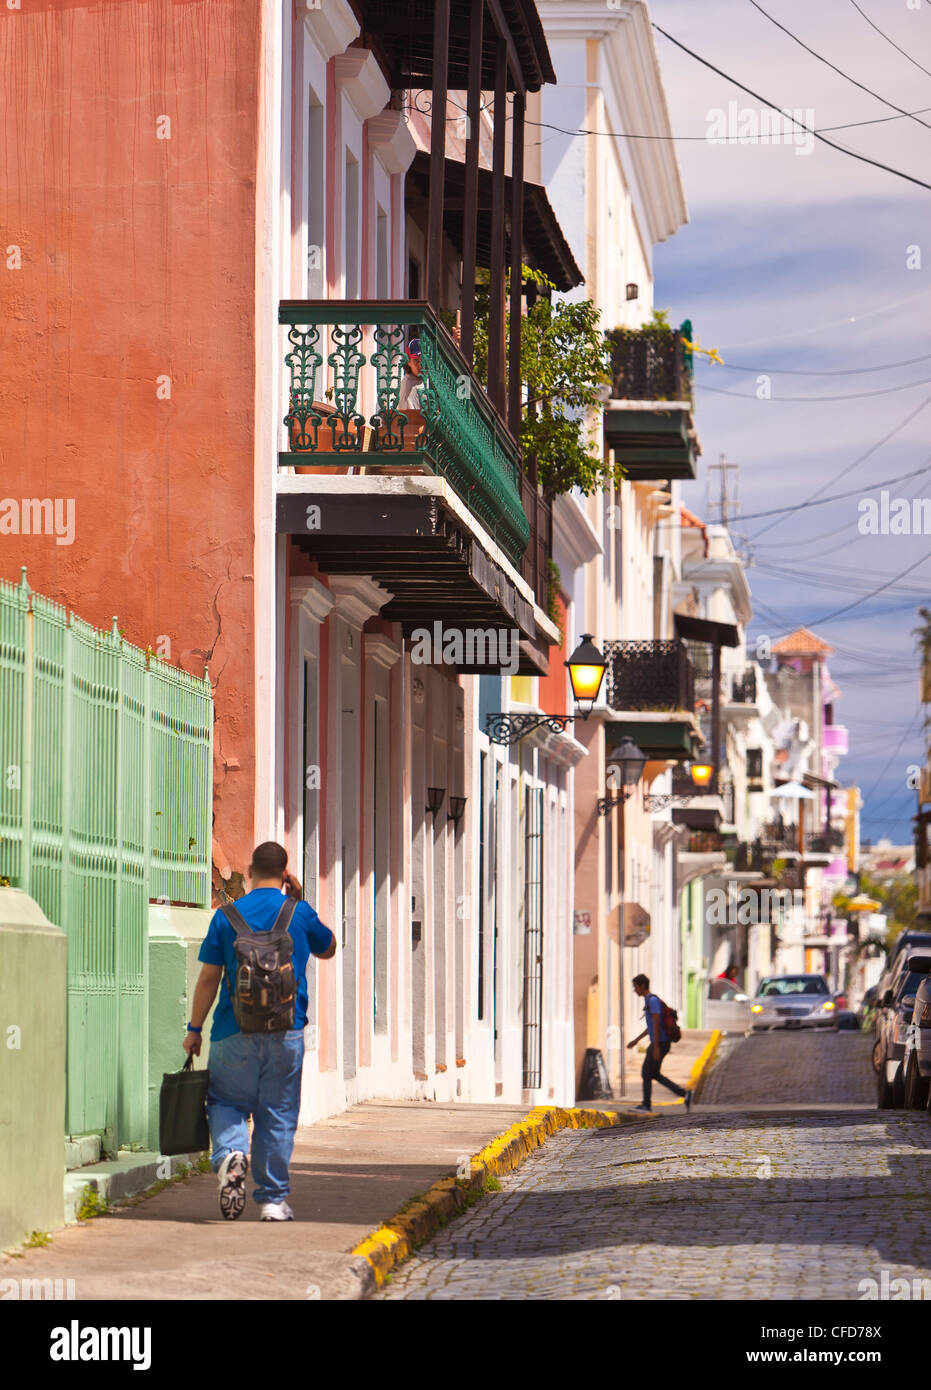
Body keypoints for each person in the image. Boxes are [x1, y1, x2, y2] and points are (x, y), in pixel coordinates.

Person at [183, 841, 336, 1222]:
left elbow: (207, 978)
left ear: (249, 871)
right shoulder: (298, 913)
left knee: (225, 1103)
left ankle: (230, 1156)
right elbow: (329, 947)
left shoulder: (226, 916)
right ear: (285, 875)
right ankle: (271, 1200)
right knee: (277, 1114)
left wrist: (194, 1029)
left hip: (232, 1034)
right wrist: (299, 900)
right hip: (287, 1034)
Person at [627, 973, 692, 1113]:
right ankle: (684, 1094)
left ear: (642, 985)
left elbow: (656, 1023)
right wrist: (636, 1040)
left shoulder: (652, 1001)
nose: (635, 990)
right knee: (654, 1074)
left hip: (660, 1043)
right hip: (659, 1042)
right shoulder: (649, 1001)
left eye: (635, 987)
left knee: (646, 1073)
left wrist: (655, 1047)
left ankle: (646, 1105)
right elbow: (650, 1027)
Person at [398, 338, 426, 411]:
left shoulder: (428, 379)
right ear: (408, 362)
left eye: (423, 359)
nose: (420, 365)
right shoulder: (409, 385)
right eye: (416, 360)